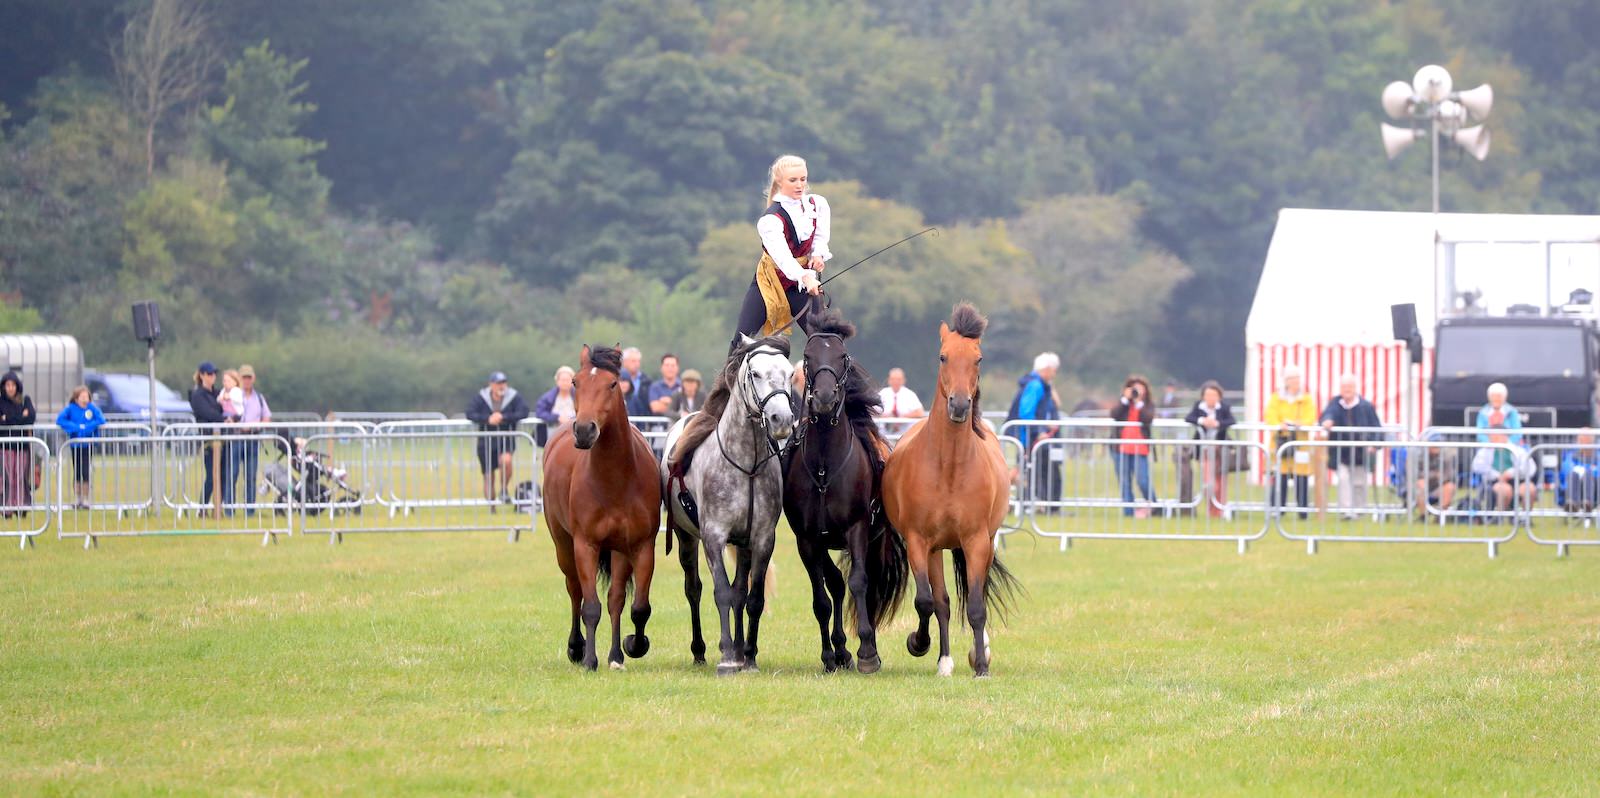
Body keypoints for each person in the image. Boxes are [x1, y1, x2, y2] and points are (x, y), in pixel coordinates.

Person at [731, 154, 830, 350]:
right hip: (769, 281)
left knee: (826, 338)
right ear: (779, 181)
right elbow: (784, 259)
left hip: (799, 286)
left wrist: (817, 254)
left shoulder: (817, 205)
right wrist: (806, 278)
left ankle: (839, 381)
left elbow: (820, 235)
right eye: (793, 180)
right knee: (740, 341)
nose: (799, 185)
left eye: (803, 179)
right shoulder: (771, 220)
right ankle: (726, 381)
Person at [1320, 374, 1384, 521]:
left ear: (1355, 388)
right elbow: (1327, 415)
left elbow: (1376, 427)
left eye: (1349, 387)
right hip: (1341, 452)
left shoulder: (1366, 406)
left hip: (1361, 452)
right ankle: (1346, 511)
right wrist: (1327, 420)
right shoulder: (1335, 403)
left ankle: (1360, 510)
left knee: (1359, 482)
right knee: (1343, 479)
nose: (1346, 390)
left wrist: (1374, 444)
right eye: (1344, 387)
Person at [466, 371, 530, 509]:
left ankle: (504, 489)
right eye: (498, 383)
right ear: (491, 384)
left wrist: (503, 417)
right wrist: (488, 419)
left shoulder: (513, 396)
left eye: (503, 383)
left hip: (506, 438)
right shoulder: (481, 397)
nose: (501, 386)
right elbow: (470, 412)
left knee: (506, 460)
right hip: (485, 441)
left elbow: (523, 411)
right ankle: (492, 506)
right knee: (488, 475)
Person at [1007, 352, 1061, 507]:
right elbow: (1026, 412)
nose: (1054, 373)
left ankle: (1029, 503)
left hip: (1028, 436)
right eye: (1053, 369)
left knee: (1025, 471)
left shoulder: (1037, 384)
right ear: (1046, 369)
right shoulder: (1036, 385)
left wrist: (1046, 425)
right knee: (1026, 472)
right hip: (1028, 438)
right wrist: (1040, 431)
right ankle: (1024, 503)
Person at [1472, 382, 1535, 513]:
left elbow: (1518, 432)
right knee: (1502, 488)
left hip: (1516, 476)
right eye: (1493, 396)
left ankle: (1524, 519)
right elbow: (1480, 433)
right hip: (1494, 476)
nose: (1496, 399)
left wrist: (1507, 443)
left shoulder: (1511, 413)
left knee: (1529, 488)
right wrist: (1491, 442)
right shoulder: (1484, 413)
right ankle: (1499, 518)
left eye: (1499, 396)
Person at [1265, 365, 1318, 519]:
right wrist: (1279, 425)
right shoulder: (1277, 398)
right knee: (1279, 476)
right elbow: (1270, 415)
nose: (1295, 382)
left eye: (1297, 379)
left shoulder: (1306, 399)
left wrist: (1300, 423)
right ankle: (1277, 509)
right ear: (1286, 381)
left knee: (1301, 476)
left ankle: (1303, 510)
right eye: (1292, 379)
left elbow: (1311, 417)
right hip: (1280, 442)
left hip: (1300, 443)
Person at [1184, 381, 1236, 518]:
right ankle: (1211, 509)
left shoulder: (1224, 408)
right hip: (1205, 450)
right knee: (1210, 483)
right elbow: (1189, 418)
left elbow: (1231, 421)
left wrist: (1217, 423)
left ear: (1219, 396)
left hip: (1220, 449)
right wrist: (1202, 421)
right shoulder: (1198, 407)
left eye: (1213, 395)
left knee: (1221, 481)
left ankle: (1218, 511)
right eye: (1207, 394)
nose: (1210, 397)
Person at [1110, 374, 1157, 517]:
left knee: (1143, 480)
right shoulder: (1123, 404)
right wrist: (1125, 399)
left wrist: (1138, 402)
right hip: (1121, 447)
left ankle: (1155, 507)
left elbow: (1147, 418)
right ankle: (1128, 513)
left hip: (1140, 448)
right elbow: (1114, 414)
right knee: (1124, 482)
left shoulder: (1147, 405)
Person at [56, 385, 106, 509]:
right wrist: (75, 427)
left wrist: (88, 427)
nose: (84, 399)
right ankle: (78, 499)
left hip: (88, 445)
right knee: (77, 471)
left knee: (86, 471)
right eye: (81, 397)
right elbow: (60, 420)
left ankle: (87, 499)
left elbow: (101, 420)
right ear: (76, 398)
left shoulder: (92, 409)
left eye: (86, 396)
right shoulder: (71, 409)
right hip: (75, 445)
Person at [188, 362, 226, 508]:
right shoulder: (197, 395)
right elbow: (206, 413)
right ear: (202, 375)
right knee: (211, 476)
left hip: (222, 439)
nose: (213, 377)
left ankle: (219, 506)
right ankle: (203, 506)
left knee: (222, 475)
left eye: (214, 374)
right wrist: (223, 418)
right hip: (208, 440)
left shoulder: (218, 393)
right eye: (210, 374)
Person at [234, 364, 272, 514]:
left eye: (249, 377)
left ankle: (249, 510)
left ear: (253, 378)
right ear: (239, 378)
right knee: (233, 474)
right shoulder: (233, 396)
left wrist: (256, 426)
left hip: (253, 438)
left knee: (250, 476)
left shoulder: (259, 398)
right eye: (244, 377)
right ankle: (230, 509)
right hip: (236, 438)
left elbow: (267, 417)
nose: (247, 381)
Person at [0, 371, 37, 517]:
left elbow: (31, 417)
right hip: (5, 447)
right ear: (3, 387)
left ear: (17, 386)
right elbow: (2, 422)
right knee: (7, 477)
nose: (10, 388)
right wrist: (21, 416)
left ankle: (22, 507)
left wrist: (8, 418)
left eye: (13, 385)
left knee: (21, 476)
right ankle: (6, 508)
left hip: (22, 447)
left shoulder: (25, 400)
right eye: (7, 385)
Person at [1415, 440, 1460, 521]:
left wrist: (1440, 477)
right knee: (1420, 484)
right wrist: (1435, 475)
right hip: (1420, 488)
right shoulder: (1418, 456)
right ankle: (1423, 517)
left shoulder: (1445, 457)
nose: (1437, 448)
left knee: (1450, 487)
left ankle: (1440, 518)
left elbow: (1450, 475)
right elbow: (1415, 475)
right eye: (1434, 445)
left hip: (1438, 488)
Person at [533, 366, 578, 444]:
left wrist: (572, 420)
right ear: (557, 381)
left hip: (575, 433)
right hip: (553, 434)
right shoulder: (547, 397)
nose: (565, 383)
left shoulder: (579, 396)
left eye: (568, 380)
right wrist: (556, 417)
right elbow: (540, 412)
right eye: (562, 380)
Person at [1559, 429, 1600, 513]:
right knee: (1573, 475)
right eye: (1581, 439)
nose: (1584, 443)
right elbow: (1566, 470)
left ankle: (1588, 503)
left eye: (1587, 439)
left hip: (1594, 488)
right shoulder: (1571, 455)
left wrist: (1587, 471)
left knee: (1588, 474)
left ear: (1592, 441)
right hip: (1574, 486)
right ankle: (1572, 504)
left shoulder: (1598, 456)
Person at [618, 347, 653, 418]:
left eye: (638, 361)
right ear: (624, 362)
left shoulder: (647, 381)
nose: (637, 364)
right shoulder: (614, 379)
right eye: (633, 361)